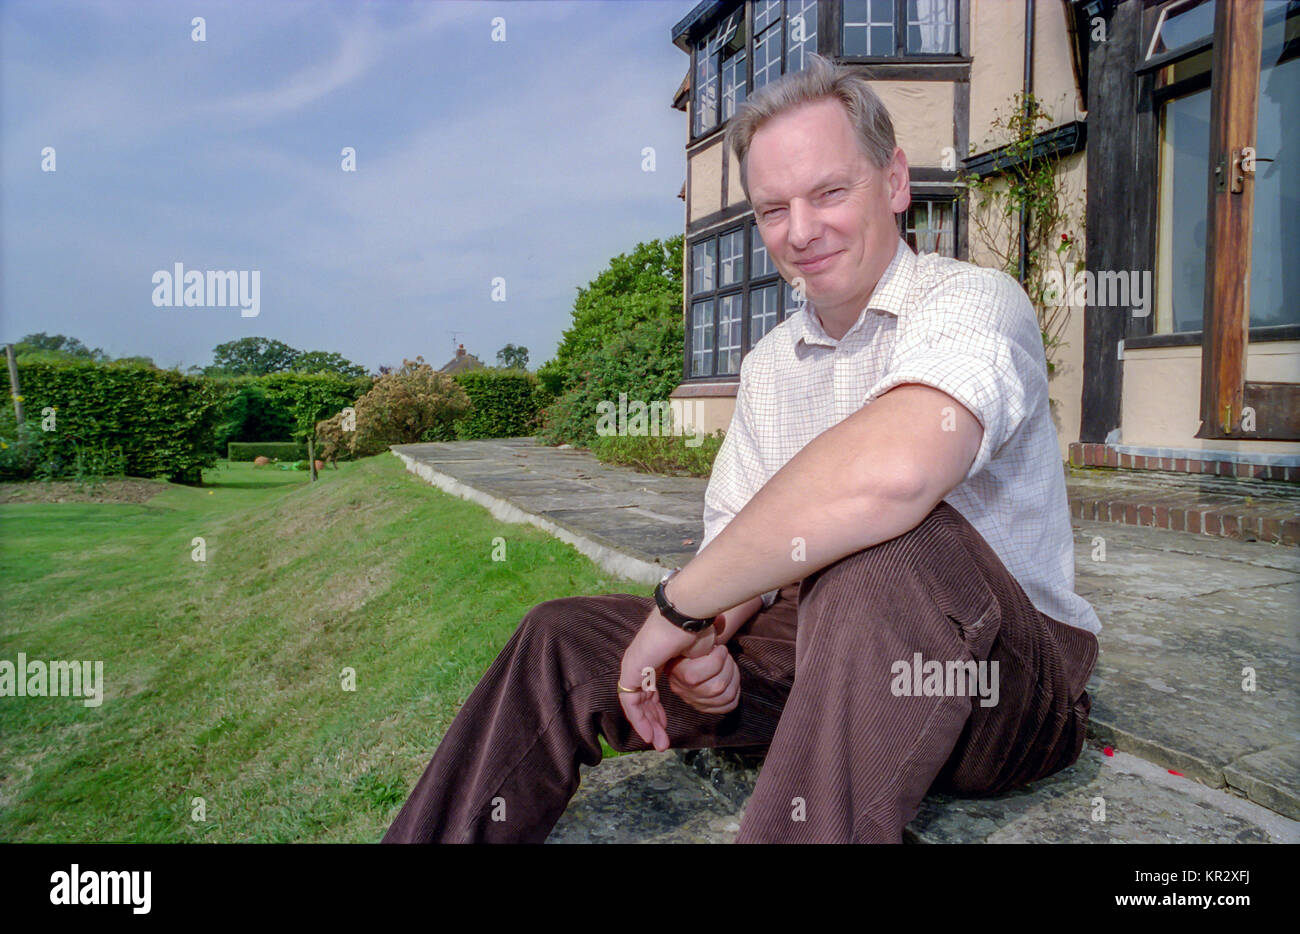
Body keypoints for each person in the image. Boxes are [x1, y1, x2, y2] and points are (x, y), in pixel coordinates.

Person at [382, 53, 1101, 845]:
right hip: (823, 652)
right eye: (773, 209)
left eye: (829, 192)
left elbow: (897, 474)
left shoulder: (973, 302)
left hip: (1003, 687)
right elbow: (736, 545)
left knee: (887, 545)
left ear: (895, 181)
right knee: (561, 640)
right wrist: (708, 637)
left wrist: (679, 606)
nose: (801, 231)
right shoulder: (768, 365)